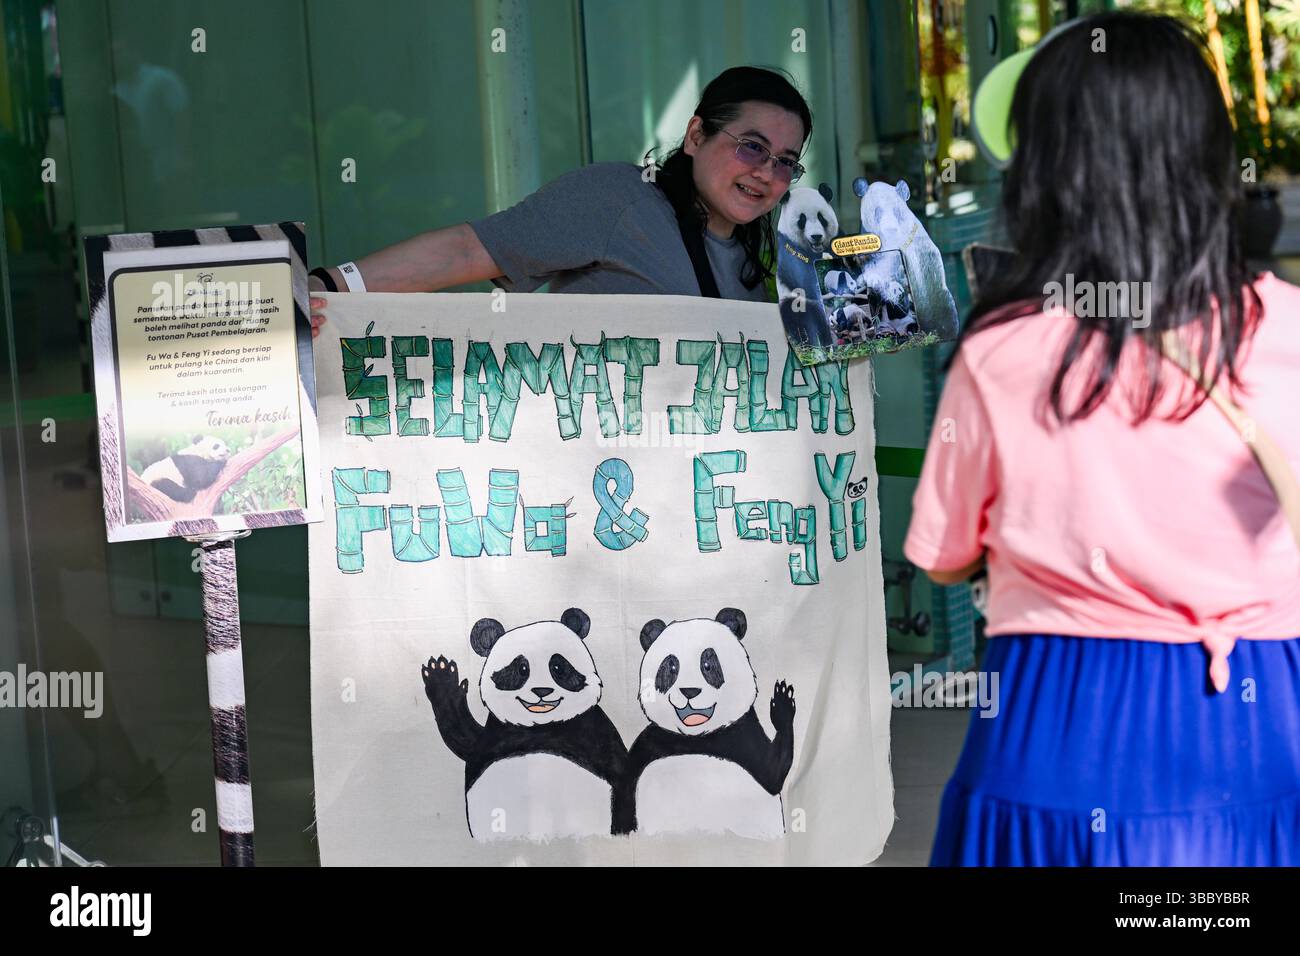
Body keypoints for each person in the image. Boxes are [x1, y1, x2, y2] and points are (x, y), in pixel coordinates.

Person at [905, 11, 1300, 866]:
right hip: (1256, 727)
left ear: (1051, 167)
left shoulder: (1003, 349)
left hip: (1055, 724)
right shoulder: (1290, 333)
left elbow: (939, 557)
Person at [308, 66, 814, 336]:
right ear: (696, 135)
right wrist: (326, 286)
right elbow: (468, 250)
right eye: (752, 146)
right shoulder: (620, 197)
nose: (766, 173)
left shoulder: (765, 258)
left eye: (786, 161)